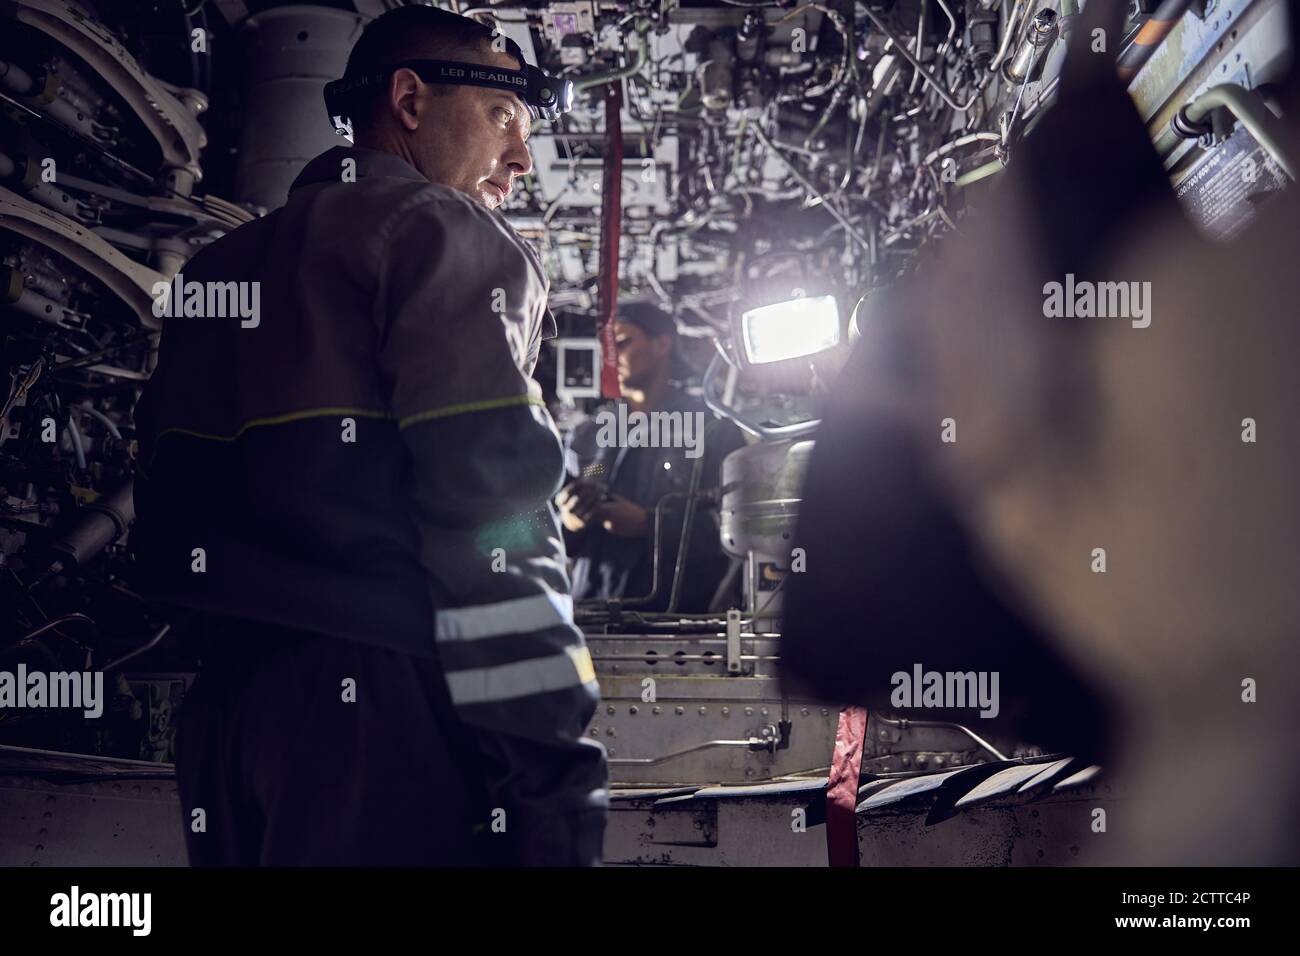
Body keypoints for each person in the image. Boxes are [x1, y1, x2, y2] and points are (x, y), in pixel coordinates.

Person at [130, 6, 607, 866]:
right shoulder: (441, 234)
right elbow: (494, 527)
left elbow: (164, 514)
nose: (521, 158)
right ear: (410, 101)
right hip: (386, 713)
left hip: (226, 724)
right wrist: (553, 775)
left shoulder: (213, 273)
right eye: (504, 117)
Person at [557, 303, 745, 612]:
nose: (611, 357)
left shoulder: (712, 432)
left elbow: (732, 531)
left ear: (662, 344)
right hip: (591, 618)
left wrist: (649, 524)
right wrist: (569, 521)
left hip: (674, 624)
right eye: (607, 347)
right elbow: (546, 532)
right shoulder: (586, 437)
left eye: (623, 342)